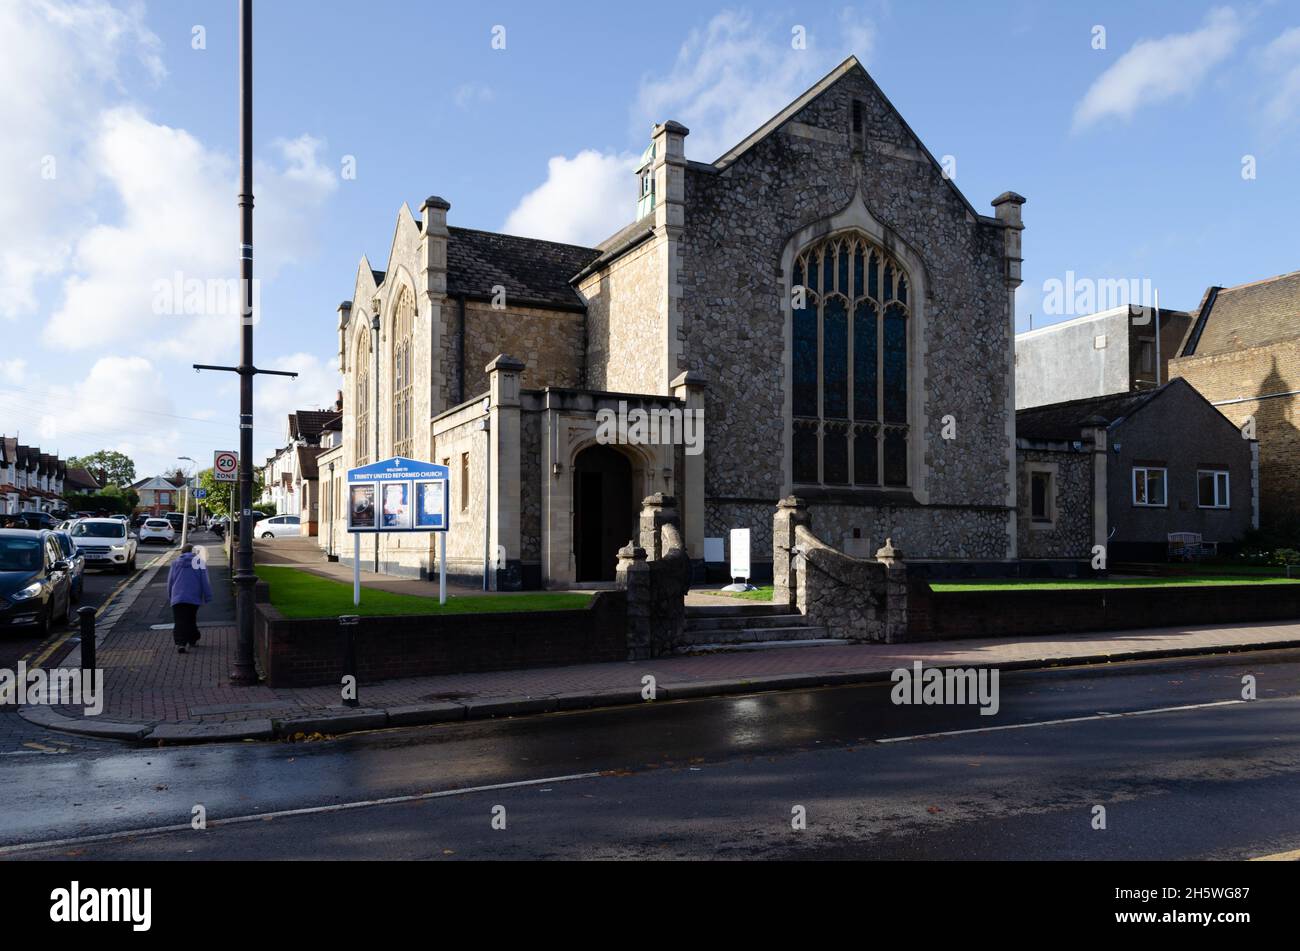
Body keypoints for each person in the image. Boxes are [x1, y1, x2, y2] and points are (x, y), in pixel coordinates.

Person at [168, 543, 212, 654]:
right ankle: (193, 639)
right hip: (193, 596)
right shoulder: (199, 563)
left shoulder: (175, 563)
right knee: (190, 618)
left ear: (182, 552)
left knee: (179, 620)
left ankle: (181, 643)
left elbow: (170, 581)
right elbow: (205, 581)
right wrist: (207, 596)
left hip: (177, 596)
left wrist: (170, 595)